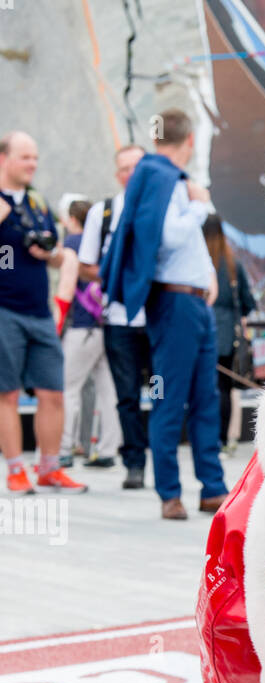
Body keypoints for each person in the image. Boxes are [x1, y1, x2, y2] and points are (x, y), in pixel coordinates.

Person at [101, 109, 227, 519]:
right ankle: (169, 492)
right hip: (173, 305)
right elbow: (170, 235)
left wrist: (207, 274)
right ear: (189, 140)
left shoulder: (156, 176)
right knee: (168, 397)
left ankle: (212, 488)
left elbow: (181, 244)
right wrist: (199, 206)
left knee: (203, 398)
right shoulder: (165, 178)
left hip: (191, 302)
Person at [0, 131, 86, 495]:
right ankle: (16, 470)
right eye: (25, 158)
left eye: (35, 158)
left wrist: (48, 254)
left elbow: (55, 254)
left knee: (53, 392)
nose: (32, 164)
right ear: (4, 159)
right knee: (8, 393)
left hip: (39, 311)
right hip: (4, 309)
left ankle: (49, 468)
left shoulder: (36, 202)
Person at [79, 144, 152, 489]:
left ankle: (163, 457)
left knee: (163, 391)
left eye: (136, 167)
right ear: (116, 174)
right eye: (123, 168)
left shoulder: (162, 207)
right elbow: (85, 264)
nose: (130, 174)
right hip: (120, 318)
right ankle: (134, 462)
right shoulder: (103, 212)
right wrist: (114, 275)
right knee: (126, 394)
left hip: (158, 317)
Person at [57, 198, 121, 470]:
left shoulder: (72, 243)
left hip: (81, 328)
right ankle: (108, 449)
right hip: (108, 326)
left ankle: (63, 449)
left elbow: (66, 287)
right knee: (109, 393)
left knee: (68, 389)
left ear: (72, 219)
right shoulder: (105, 244)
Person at [203, 213, 255, 448]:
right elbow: (247, 303)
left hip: (202, 329)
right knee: (224, 388)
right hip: (227, 333)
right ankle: (223, 439)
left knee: (204, 386)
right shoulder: (234, 264)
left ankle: (205, 438)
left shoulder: (200, 262)